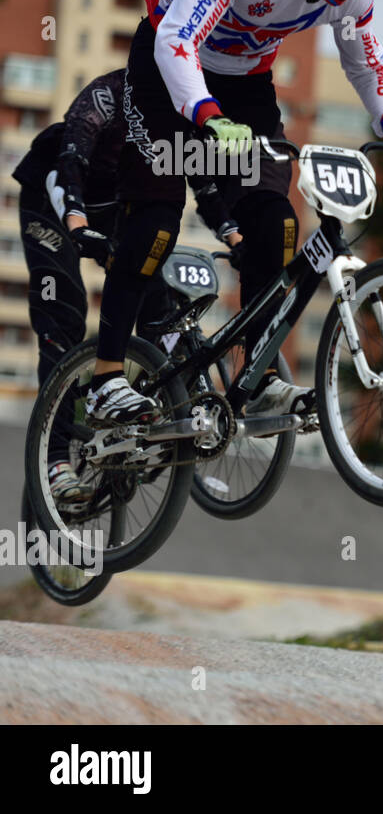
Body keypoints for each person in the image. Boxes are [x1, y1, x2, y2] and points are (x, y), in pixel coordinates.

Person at [85, 0, 383, 427]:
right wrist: (203, 112)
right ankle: (105, 377)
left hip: (244, 82)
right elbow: (177, 36)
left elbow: (366, 64)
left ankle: (261, 374)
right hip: (167, 64)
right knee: (156, 218)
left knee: (276, 218)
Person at [12, 69, 235, 502]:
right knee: (67, 312)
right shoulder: (108, 95)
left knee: (160, 307)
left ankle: (159, 432)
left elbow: (205, 188)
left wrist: (236, 239)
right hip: (54, 201)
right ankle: (55, 459)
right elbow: (68, 164)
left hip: (116, 209)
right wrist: (76, 222)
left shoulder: (185, 110)